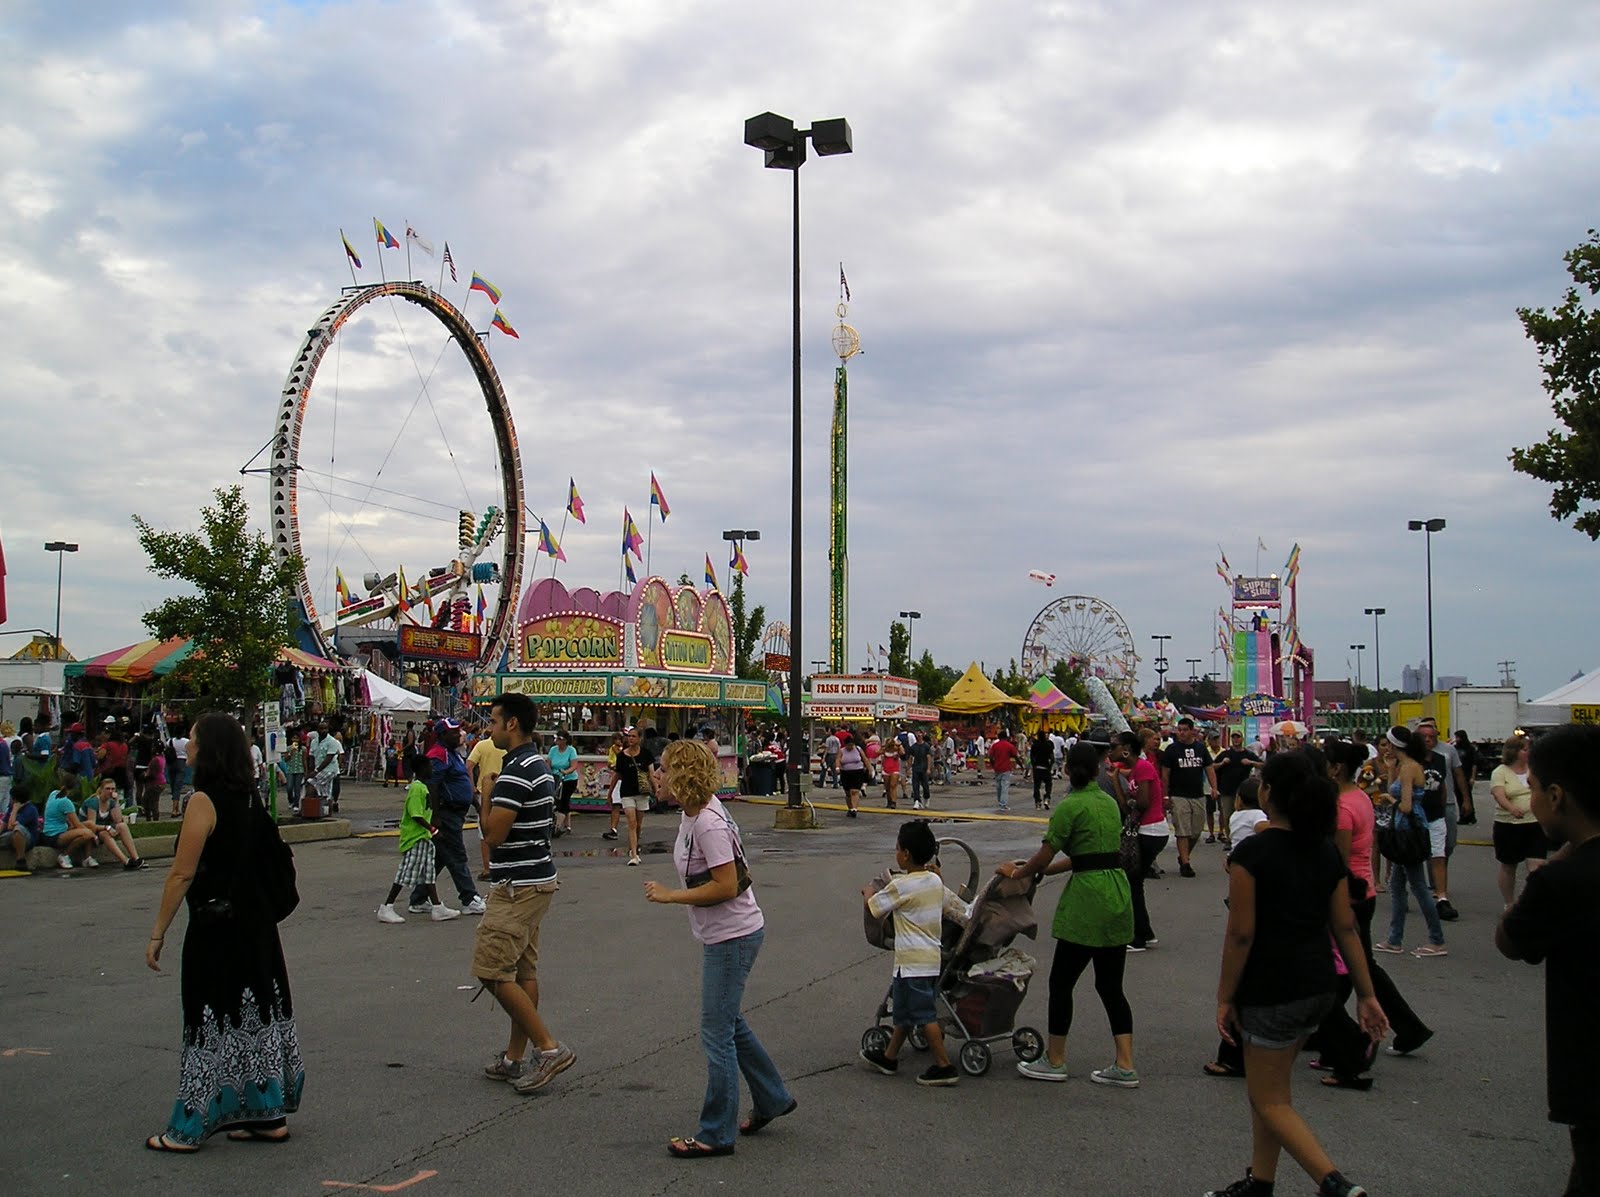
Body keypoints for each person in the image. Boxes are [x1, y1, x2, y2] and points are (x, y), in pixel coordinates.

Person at [1207, 751, 1385, 1197]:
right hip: (1319, 987)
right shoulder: (1324, 851)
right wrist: (1366, 994)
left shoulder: (1252, 853)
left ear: (1269, 793)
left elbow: (1241, 934)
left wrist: (1224, 997)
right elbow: (1345, 927)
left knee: (1269, 1100)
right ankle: (1260, 1180)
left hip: (1271, 988)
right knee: (1270, 1094)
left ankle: (1335, 1184)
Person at [144, 712, 304, 1151]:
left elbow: (182, 873)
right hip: (257, 929)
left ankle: (189, 1128)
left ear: (209, 749)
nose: (187, 746)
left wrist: (158, 932)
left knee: (208, 1020)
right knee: (254, 1018)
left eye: (193, 739)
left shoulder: (203, 801)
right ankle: (268, 1116)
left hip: (216, 931)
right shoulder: (250, 796)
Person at [645, 739, 796, 1155]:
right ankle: (772, 1097)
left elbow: (726, 886)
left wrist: (671, 896)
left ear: (682, 776)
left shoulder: (707, 823)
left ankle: (716, 1133)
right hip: (727, 933)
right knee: (729, 1023)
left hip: (733, 936)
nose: (656, 775)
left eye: (663, 768)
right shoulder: (694, 813)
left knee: (716, 1033)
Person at [1495, 724, 1600, 1197]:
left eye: (1534, 788)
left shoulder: (1560, 882)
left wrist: (1555, 864)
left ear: (1556, 796)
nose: (1532, 799)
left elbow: (1510, 940)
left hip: (1590, 1072)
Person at [1001, 742, 1138, 1086]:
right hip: (1116, 892)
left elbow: (1045, 854)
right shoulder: (1108, 803)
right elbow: (1090, 854)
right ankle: (1125, 1064)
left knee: (1062, 983)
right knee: (1111, 986)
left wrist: (1018, 872)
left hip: (1086, 900)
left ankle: (1056, 1059)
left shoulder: (1070, 806)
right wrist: (1043, 871)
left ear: (1066, 770)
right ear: (1097, 770)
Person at [476, 693, 575, 1095]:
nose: (490, 729)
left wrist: (485, 795)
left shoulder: (515, 772)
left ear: (512, 723)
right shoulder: (537, 764)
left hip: (517, 886)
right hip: (536, 878)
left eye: (494, 721)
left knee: (491, 969)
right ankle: (514, 1058)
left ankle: (548, 1048)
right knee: (523, 971)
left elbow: (493, 836)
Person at [1325, 740, 1432, 1065]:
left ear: (1336, 768)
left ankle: (1398, 1028)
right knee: (1356, 966)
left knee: (1355, 968)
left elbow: (1339, 860)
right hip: (1363, 890)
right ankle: (1329, 1030)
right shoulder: (1358, 796)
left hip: (1350, 893)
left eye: (1325, 763)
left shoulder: (1343, 807)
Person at [859, 819, 969, 1086]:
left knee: (924, 1014)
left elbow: (874, 908)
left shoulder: (902, 886)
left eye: (897, 848)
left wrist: (867, 892)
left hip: (911, 962)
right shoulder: (934, 881)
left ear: (906, 854)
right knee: (905, 1010)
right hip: (929, 959)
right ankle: (889, 1057)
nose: (896, 852)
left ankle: (944, 1065)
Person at [1376, 726, 1446, 957]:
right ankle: (1394, 939)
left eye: (1388, 744)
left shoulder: (1409, 768)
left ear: (1394, 745)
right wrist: (1391, 771)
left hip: (1409, 830)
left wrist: (1390, 799)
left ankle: (1436, 940)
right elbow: (1397, 793)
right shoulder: (1407, 766)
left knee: (1418, 886)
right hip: (1408, 828)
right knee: (1398, 885)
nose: (1385, 748)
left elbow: (1405, 805)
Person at [410, 719, 484, 915]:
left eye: (459, 731)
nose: (459, 735)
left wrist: (476, 804)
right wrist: (435, 816)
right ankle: (469, 898)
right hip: (446, 813)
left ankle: (418, 898)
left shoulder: (453, 753)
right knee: (457, 855)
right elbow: (432, 786)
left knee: (441, 856)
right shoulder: (438, 755)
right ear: (443, 735)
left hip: (457, 812)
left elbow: (463, 780)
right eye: (454, 732)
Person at [377, 756, 457, 923]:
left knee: (429, 873)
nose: (432, 770)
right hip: (416, 837)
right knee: (405, 872)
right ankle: (387, 907)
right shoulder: (416, 788)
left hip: (424, 838)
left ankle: (437, 907)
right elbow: (416, 814)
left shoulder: (422, 787)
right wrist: (432, 829)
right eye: (429, 767)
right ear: (421, 769)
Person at [1417, 718, 1469, 918]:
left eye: (1431, 736)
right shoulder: (1410, 760)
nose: (1428, 740)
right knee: (1408, 859)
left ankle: (1442, 898)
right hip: (1414, 815)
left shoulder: (1441, 758)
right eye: (1423, 737)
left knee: (1439, 854)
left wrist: (1456, 802)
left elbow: (1444, 785)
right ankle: (1401, 892)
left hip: (1436, 814)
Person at [1489, 734, 1547, 908]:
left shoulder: (1535, 770)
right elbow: (1499, 794)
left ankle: (1531, 901)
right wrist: (1511, 808)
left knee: (1537, 865)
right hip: (1508, 825)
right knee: (1509, 865)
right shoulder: (1500, 772)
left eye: (1529, 749)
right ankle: (1509, 903)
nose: (1528, 753)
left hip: (1534, 823)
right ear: (1514, 752)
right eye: (1524, 750)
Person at [1160, 717, 1219, 878]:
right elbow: (1165, 774)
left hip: (1198, 794)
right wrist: (1165, 795)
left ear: (1192, 731)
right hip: (1178, 795)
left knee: (1196, 831)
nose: (1181, 733)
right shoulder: (1172, 750)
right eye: (1179, 730)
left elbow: (1209, 768)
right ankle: (1185, 863)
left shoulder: (1200, 748)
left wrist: (1214, 788)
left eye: (1185, 730)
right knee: (1182, 830)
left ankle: (1184, 855)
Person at [468, 726, 507, 880]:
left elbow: (469, 766)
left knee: (484, 831)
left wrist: (472, 786)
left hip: (484, 791)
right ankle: (502, 865)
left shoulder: (482, 745)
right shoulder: (507, 747)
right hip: (504, 790)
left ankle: (487, 868)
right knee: (504, 828)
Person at [611, 726, 654, 867]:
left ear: (640, 738)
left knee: (638, 824)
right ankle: (634, 854)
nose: (630, 738)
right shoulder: (621, 756)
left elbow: (651, 775)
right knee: (631, 822)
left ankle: (635, 845)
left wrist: (656, 790)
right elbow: (617, 775)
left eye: (633, 736)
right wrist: (610, 792)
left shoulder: (646, 754)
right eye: (629, 736)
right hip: (627, 793)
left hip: (642, 793)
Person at [83, 776, 147, 870]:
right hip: (91, 830)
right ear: (101, 789)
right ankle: (125, 861)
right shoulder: (93, 802)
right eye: (107, 789)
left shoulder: (111, 802)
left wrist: (116, 802)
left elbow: (118, 820)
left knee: (122, 826)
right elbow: (91, 825)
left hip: (104, 828)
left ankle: (136, 858)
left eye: (113, 789)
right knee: (104, 834)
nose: (110, 791)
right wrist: (107, 828)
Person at [41, 765, 98, 869]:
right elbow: (77, 824)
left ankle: (87, 857)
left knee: (90, 824)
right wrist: (94, 835)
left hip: (60, 829)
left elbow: (70, 821)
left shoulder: (53, 793)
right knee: (87, 834)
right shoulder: (66, 802)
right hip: (54, 835)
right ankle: (64, 855)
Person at [1214, 732, 1263, 847]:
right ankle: (1229, 839)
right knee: (1227, 815)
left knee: (1243, 814)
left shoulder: (1248, 754)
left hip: (1243, 791)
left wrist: (1251, 762)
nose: (1236, 739)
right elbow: (1212, 766)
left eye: (1238, 737)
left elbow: (1263, 765)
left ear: (1242, 739)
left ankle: (1242, 837)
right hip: (1226, 790)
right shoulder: (1225, 754)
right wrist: (1222, 763)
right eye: (1234, 737)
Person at [546, 730, 577, 837]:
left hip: (569, 779)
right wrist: (548, 772)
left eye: (559, 739)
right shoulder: (553, 750)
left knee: (563, 800)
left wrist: (566, 771)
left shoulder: (571, 750)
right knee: (558, 800)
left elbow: (574, 765)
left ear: (565, 740)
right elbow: (548, 763)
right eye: (556, 739)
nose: (557, 741)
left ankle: (557, 827)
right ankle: (568, 826)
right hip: (555, 778)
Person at [4, 790, 42, 873]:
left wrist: (15, 810)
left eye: (11, 798)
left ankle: (21, 860)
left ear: (16, 800)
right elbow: (4, 824)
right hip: (10, 836)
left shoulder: (31, 810)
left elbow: (11, 826)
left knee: (18, 829)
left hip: (26, 839)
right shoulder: (11, 807)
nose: (10, 800)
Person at [1452, 729, 1479, 824]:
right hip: (1456, 777)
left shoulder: (1470, 749)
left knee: (1467, 796)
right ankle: (1463, 816)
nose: (1457, 739)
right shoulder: (1454, 748)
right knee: (1459, 797)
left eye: (1458, 737)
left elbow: (1474, 764)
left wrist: (1473, 777)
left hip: (1467, 775)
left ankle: (1471, 816)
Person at [988, 730, 1018, 813]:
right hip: (1006, 768)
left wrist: (993, 765)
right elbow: (1015, 756)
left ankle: (1000, 802)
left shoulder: (995, 746)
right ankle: (1003, 804)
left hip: (997, 768)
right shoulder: (1009, 746)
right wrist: (1021, 766)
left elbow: (990, 757)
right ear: (1006, 737)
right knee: (1004, 786)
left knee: (998, 786)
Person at [839, 736, 868, 818]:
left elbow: (865, 759)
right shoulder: (841, 751)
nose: (850, 747)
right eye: (848, 745)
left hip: (857, 771)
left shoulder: (858, 749)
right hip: (845, 772)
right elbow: (838, 759)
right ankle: (850, 808)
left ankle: (854, 809)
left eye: (851, 745)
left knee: (854, 791)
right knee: (848, 792)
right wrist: (837, 767)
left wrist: (869, 769)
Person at [1030, 728, 1055, 809]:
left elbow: (1032, 757)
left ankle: (1037, 802)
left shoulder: (1035, 745)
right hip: (1046, 767)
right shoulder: (1048, 745)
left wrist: (1034, 766)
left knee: (1036, 786)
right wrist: (1050, 767)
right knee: (1048, 784)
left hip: (1037, 767)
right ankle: (1047, 798)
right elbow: (1052, 758)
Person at [908, 731, 933, 810]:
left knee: (925, 785)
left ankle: (926, 797)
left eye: (920, 735)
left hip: (924, 768)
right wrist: (908, 768)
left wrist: (928, 768)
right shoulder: (913, 747)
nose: (918, 736)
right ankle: (917, 801)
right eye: (917, 735)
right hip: (916, 768)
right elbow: (910, 758)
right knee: (915, 786)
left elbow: (929, 757)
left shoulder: (926, 746)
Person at [281, 735, 305, 815]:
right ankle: (290, 800)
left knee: (297, 788)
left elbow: (304, 760)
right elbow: (285, 759)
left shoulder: (303, 749)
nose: (295, 740)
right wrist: (291, 752)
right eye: (294, 738)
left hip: (299, 770)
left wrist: (306, 771)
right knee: (289, 787)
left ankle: (296, 804)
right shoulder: (288, 748)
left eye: (297, 738)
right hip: (290, 770)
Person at [880, 735, 902, 809]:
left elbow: (903, 752)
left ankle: (893, 802)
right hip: (886, 768)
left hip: (894, 768)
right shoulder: (885, 750)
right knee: (887, 786)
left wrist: (899, 745)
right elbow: (877, 752)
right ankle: (889, 801)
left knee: (893, 785)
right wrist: (883, 746)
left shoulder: (897, 749)